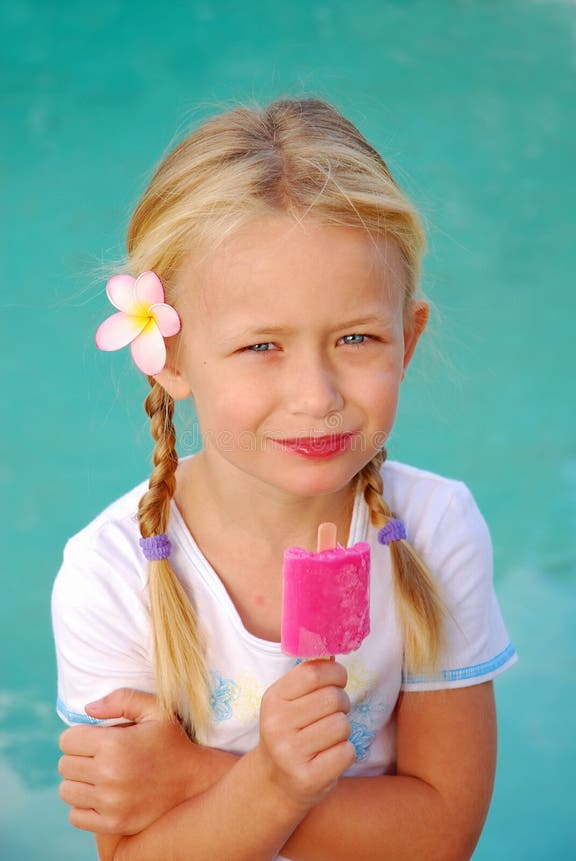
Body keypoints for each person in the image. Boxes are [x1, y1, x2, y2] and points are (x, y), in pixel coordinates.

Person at [53, 96, 517, 861]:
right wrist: (270, 780)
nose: (316, 395)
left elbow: (442, 835)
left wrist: (205, 775)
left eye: (357, 336)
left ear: (409, 338)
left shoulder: (434, 527)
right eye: (262, 345)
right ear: (170, 358)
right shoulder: (108, 575)